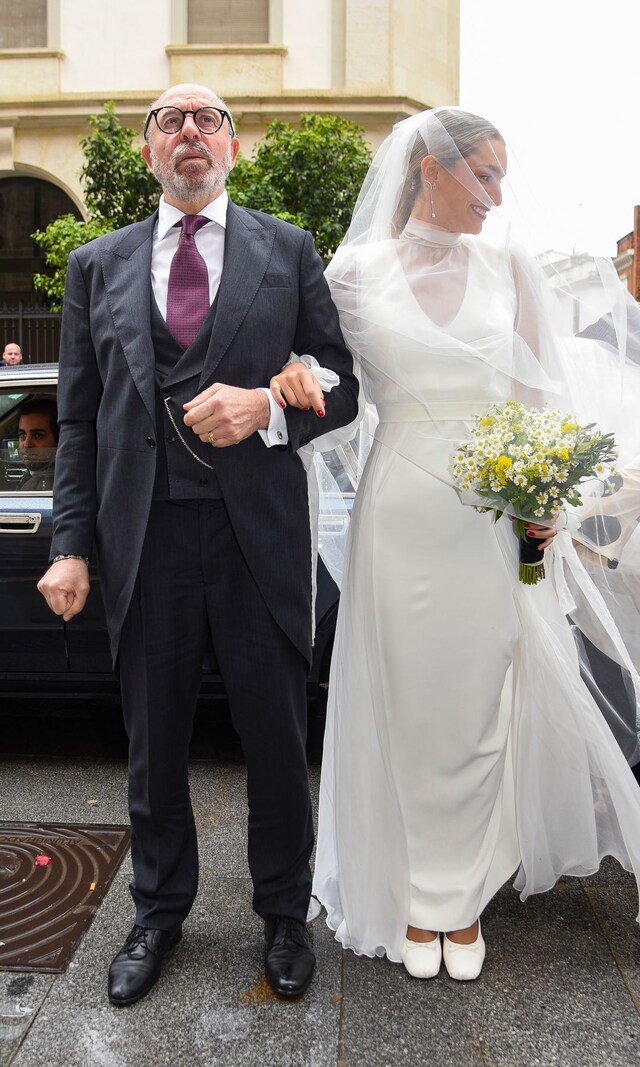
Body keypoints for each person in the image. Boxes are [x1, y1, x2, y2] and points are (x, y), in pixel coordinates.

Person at [272, 108, 640, 982]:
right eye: (484, 175)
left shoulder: (509, 267)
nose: (496, 196)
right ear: (430, 170)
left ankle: (460, 896)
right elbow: (332, 377)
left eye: (502, 178)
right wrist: (294, 376)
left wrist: (546, 498)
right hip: (400, 506)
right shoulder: (356, 271)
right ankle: (407, 890)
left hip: (491, 511)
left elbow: (539, 396)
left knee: (480, 695)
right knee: (406, 699)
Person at [36, 82, 358, 1007]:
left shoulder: (286, 249)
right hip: (145, 540)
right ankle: (158, 911)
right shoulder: (97, 265)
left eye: (208, 119)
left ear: (234, 148)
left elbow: (342, 384)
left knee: (275, 733)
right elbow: (80, 418)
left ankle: (284, 914)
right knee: (153, 743)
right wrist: (72, 543)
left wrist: (266, 405)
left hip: (259, 535)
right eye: (169, 121)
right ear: (147, 153)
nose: (190, 133)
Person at [16, 398, 58, 490]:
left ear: (58, 439)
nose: (27, 444)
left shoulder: (48, 483)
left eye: (37, 435)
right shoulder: (32, 475)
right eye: (22, 435)